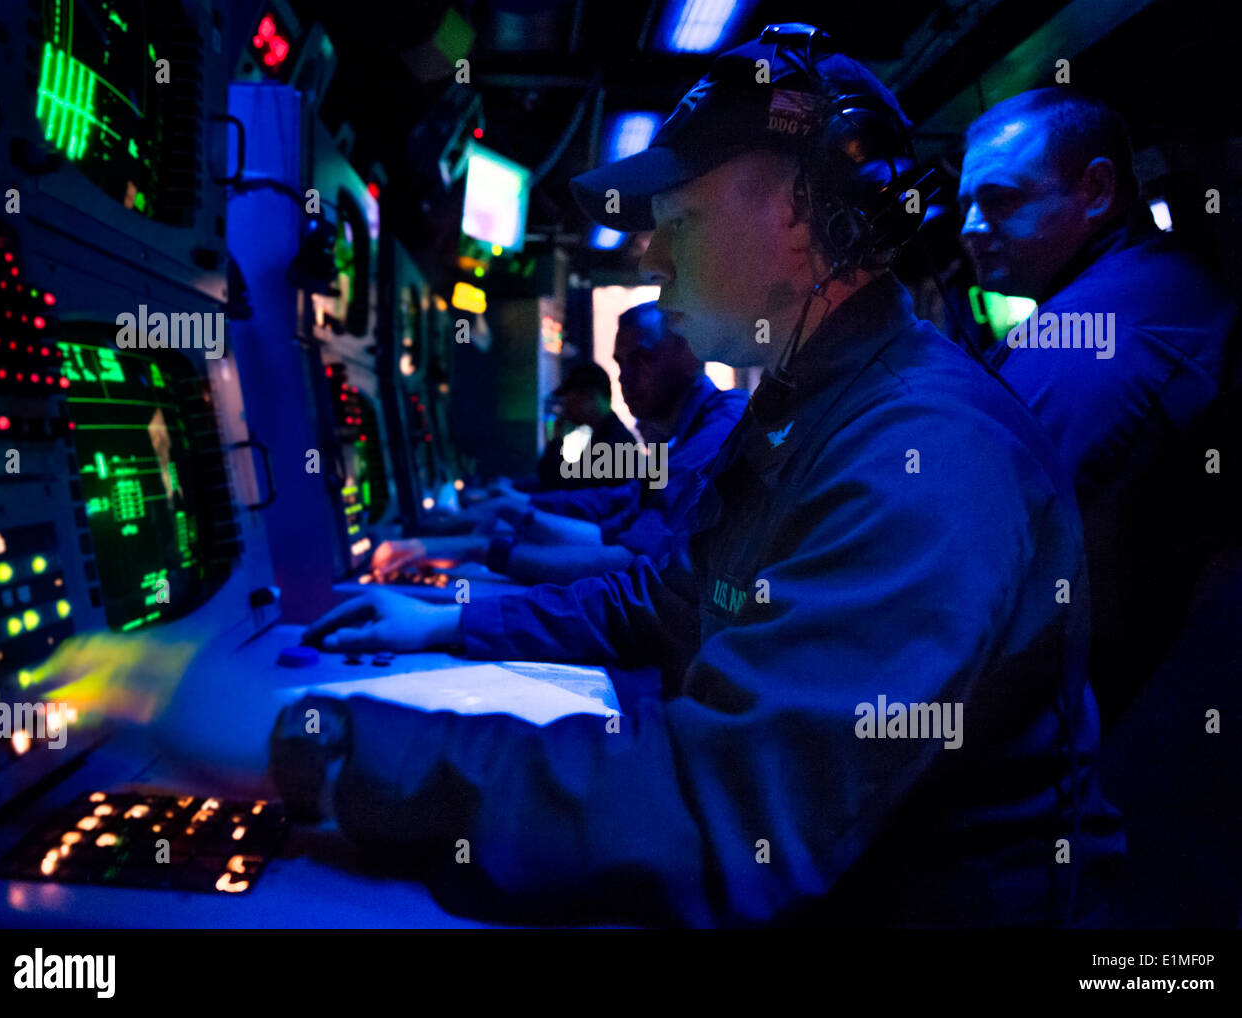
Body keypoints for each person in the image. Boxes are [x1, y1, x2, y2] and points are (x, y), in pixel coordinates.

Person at [289, 25, 1123, 927]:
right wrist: (449, 618)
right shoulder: (807, 407)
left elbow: (725, 810)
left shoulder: (926, 453)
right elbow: (664, 600)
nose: (650, 256)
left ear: (805, 215)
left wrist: (324, 746)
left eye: (679, 220)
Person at [957, 88, 1242, 730]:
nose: (970, 229)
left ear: (1096, 189)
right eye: (965, 206)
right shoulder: (1168, 282)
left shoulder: (1074, 353)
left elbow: (986, 581)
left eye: (1000, 200)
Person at [373, 302, 747, 584]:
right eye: (620, 365)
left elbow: (625, 557)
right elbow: (607, 516)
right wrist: (513, 509)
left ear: (692, 353)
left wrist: (486, 546)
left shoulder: (716, 427)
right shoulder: (672, 443)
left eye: (643, 359)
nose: (626, 378)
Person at [531, 363, 637, 491]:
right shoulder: (610, 436)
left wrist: (557, 438)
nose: (566, 408)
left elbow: (561, 486)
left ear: (591, 396)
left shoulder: (614, 445)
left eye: (572, 399)